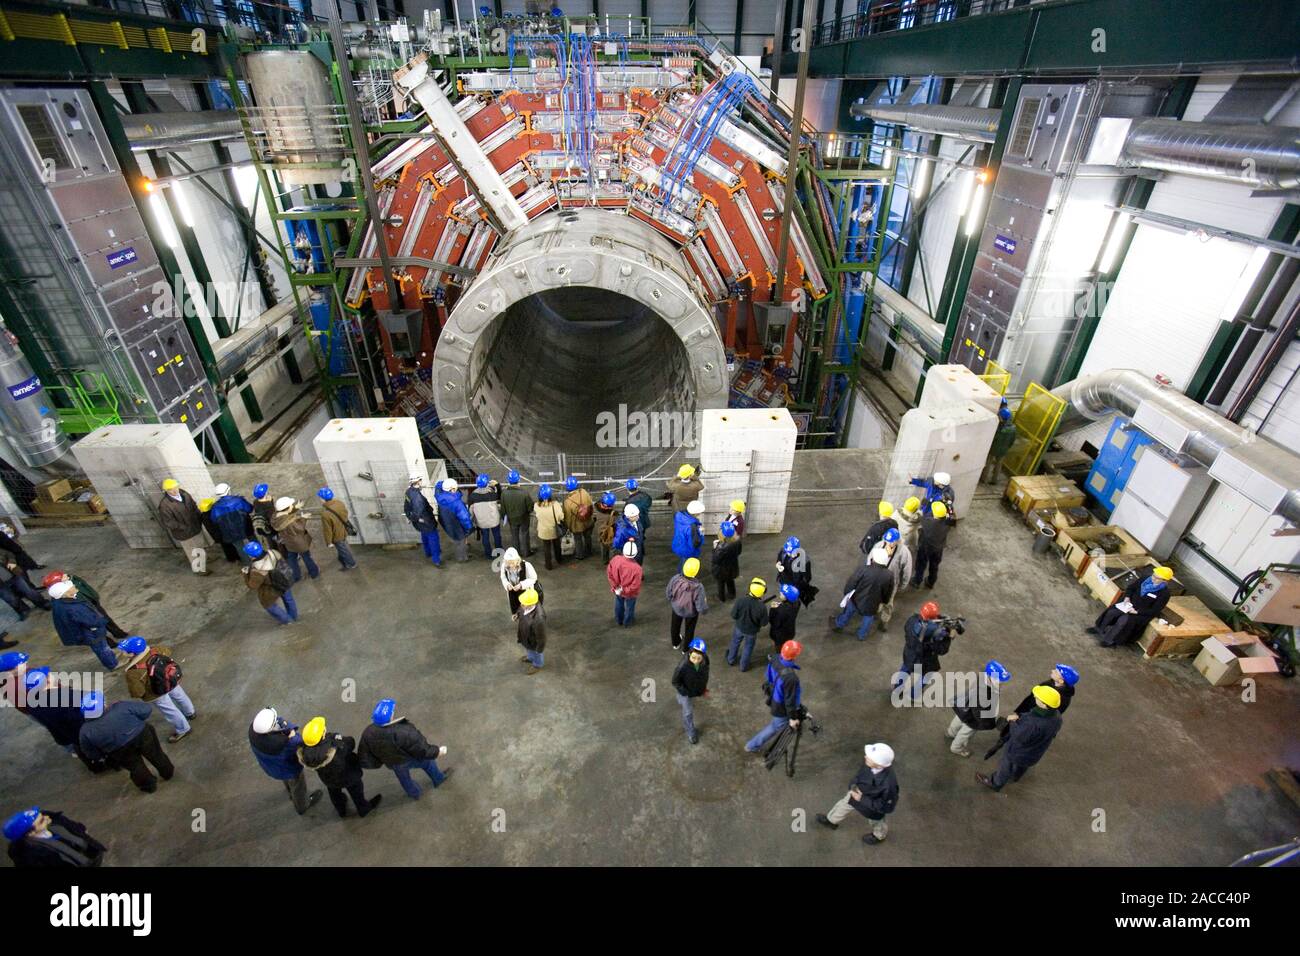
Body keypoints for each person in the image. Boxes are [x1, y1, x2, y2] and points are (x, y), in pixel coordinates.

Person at [77, 691, 174, 794]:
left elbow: (90, 752)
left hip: (118, 750)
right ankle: (167, 773)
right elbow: (146, 710)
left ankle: (149, 786)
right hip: (142, 735)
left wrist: (104, 755)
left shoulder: (85, 731)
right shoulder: (121, 707)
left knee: (135, 767)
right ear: (103, 705)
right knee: (156, 754)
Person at [359, 697, 453, 798]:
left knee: (404, 779)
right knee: (429, 763)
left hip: (392, 763)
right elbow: (422, 749)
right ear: (390, 716)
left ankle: (415, 793)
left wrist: (379, 762)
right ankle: (438, 779)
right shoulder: (404, 732)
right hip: (408, 759)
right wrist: (437, 751)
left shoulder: (368, 732)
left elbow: (364, 755)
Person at [977, 685, 1063, 791]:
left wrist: (1013, 721)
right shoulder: (1057, 716)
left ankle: (995, 783)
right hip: (1035, 752)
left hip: (1017, 752)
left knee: (1005, 767)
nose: (1035, 697)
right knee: (1021, 766)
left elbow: (1019, 737)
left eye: (1038, 697)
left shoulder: (1032, 723)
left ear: (1044, 705)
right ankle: (1015, 776)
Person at [297, 717, 382, 819]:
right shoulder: (336, 747)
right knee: (356, 793)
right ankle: (364, 809)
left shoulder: (305, 753)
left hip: (328, 779)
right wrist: (336, 738)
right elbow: (351, 743)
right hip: (349, 776)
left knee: (334, 794)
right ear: (322, 734)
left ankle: (341, 811)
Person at [815, 743, 899, 845]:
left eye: (869, 757)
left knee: (877, 822)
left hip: (871, 807)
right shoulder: (869, 764)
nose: (865, 757)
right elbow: (859, 775)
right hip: (857, 793)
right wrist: (853, 785)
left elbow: (886, 807)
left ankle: (879, 836)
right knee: (842, 806)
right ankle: (831, 821)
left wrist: (861, 799)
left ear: (879, 764)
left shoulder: (889, 784)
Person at [15, 668, 96, 768]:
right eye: (49, 675)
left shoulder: (31, 704)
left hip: (65, 735)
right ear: (48, 681)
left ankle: (93, 763)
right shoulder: (66, 695)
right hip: (84, 731)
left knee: (82, 751)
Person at [120, 635, 194, 743]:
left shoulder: (133, 672)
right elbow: (168, 651)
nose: (122, 652)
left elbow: (138, 692)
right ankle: (190, 712)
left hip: (155, 693)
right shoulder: (157, 650)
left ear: (132, 654)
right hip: (170, 680)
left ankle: (183, 729)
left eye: (125, 651)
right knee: (180, 696)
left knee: (170, 710)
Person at [249, 707, 321, 815]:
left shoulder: (253, 732)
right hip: (289, 770)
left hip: (272, 767)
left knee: (287, 781)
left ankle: (289, 792)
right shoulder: (284, 743)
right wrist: (292, 736)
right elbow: (301, 743)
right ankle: (303, 806)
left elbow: (279, 721)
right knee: (298, 787)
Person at [1090, 565, 1173, 648]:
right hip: (1129, 604)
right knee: (1112, 612)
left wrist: (1137, 612)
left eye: (1157, 578)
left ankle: (1110, 640)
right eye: (1153, 575)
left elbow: (1155, 610)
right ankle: (1099, 628)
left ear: (1165, 581)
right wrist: (1127, 597)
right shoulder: (1144, 579)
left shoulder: (1164, 593)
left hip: (1141, 613)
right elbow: (1131, 588)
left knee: (1123, 621)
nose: (1153, 579)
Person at [745, 640, 803, 753]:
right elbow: (789, 701)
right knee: (775, 727)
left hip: (774, 696)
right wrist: (792, 718)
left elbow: (769, 676)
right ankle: (752, 745)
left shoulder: (774, 658)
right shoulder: (791, 678)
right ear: (795, 656)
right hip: (781, 707)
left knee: (776, 725)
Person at [48, 580, 118, 669]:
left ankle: (111, 659)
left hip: (85, 632)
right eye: (72, 588)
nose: (75, 589)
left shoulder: (59, 602)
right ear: (66, 593)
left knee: (100, 648)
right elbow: (91, 621)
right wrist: (101, 622)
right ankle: (113, 664)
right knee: (102, 648)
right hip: (92, 633)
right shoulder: (73, 608)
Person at [947, 660, 1010, 757]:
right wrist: (989, 724)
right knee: (965, 733)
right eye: (999, 680)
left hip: (964, 708)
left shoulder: (982, 677)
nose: (1002, 683)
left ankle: (951, 733)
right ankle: (956, 748)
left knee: (958, 720)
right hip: (974, 719)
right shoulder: (984, 694)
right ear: (990, 677)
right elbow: (981, 714)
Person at [893, 600, 954, 700]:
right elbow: (942, 650)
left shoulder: (912, 620)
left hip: (910, 655)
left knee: (904, 671)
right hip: (925, 661)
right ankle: (913, 695)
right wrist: (949, 637)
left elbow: (908, 628)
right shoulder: (935, 634)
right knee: (925, 677)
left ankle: (897, 689)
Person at [42, 570, 126, 643]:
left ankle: (117, 632)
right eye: (62, 577)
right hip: (86, 610)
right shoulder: (62, 596)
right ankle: (108, 642)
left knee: (106, 619)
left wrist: (94, 597)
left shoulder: (73, 579)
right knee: (96, 628)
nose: (66, 576)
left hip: (92, 603)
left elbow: (86, 587)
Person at [4, 808, 105, 867]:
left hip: (86, 856)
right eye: (41, 821)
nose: (47, 818)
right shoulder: (30, 856)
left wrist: (82, 831)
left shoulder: (55, 823)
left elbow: (73, 827)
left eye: (42, 816)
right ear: (30, 833)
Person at [830, 546, 893, 640]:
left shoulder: (864, 569)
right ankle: (861, 635)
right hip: (873, 604)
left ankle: (839, 624)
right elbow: (888, 591)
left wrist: (847, 592)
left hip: (857, 599)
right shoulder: (889, 575)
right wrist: (884, 601)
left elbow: (852, 582)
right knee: (868, 619)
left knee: (848, 612)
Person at [157, 478, 210, 575]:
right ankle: (199, 570)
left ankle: (203, 561)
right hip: (184, 533)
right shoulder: (164, 505)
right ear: (166, 491)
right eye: (170, 489)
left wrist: (198, 517)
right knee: (192, 552)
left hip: (195, 527)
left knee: (200, 546)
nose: (174, 491)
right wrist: (184, 527)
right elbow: (168, 522)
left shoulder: (185, 494)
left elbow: (194, 505)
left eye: (175, 487)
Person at [241, 540, 298, 625]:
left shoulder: (257, 569)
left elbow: (252, 586)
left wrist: (245, 574)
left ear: (250, 556)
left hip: (272, 589)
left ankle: (288, 621)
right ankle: (294, 617)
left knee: (269, 606)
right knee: (289, 599)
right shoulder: (273, 552)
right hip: (284, 580)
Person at [726, 577, 770, 671]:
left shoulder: (740, 600)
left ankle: (731, 659)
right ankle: (743, 667)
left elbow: (733, 615)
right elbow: (764, 623)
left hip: (739, 628)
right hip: (751, 632)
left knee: (735, 643)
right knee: (748, 648)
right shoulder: (761, 607)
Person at [271, 497, 319, 582]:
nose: (292, 506)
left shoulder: (275, 517)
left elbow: (285, 515)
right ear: (288, 508)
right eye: (291, 506)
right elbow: (299, 528)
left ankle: (296, 576)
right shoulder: (291, 522)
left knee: (292, 559)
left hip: (288, 543)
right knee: (307, 557)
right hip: (299, 543)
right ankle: (314, 573)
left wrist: (296, 508)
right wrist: (303, 518)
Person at [671, 638, 710, 745]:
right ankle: (691, 733)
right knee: (688, 713)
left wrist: (703, 688)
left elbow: (705, 675)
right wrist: (684, 692)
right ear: (689, 653)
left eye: (699, 658)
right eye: (693, 658)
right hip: (686, 692)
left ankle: (681, 699)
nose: (696, 661)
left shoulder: (705, 661)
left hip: (696, 688)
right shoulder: (682, 666)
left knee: (685, 704)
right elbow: (675, 681)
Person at [666, 557, 708, 651]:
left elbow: (668, 592)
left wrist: (672, 601)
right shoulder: (698, 587)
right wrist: (704, 610)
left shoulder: (675, 579)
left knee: (675, 626)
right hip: (691, 613)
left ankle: (675, 643)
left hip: (676, 608)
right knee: (689, 630)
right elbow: (701, 606)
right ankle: (686, 649)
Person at [875, 530, 911, 632]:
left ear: (897, 540)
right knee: (876, 597)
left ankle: (884, 619)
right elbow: (870, 559)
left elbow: (907, 569)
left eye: (892, 541)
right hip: (877, 579)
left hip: (891, 582)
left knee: (888, 602)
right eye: (887, 541)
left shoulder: (904, 552)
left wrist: (903, 584)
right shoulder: (879, 546)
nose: (889, 544)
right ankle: (876, 610)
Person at [1012, 664, 1079, 717]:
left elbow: (1042, 715)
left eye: (1056, 672)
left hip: (1027, 721)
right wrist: (1018, 712)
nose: (1052, 670)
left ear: (1061, 681)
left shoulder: (1061, 699)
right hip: (1025, 711)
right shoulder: (1052, 682)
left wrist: (1020, 717)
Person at [911, 501, 951, 589]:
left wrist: (923, 506)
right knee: (934, 566)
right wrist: (949, 505)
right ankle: (930, 582)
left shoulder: (928, 522)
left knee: (921, 564)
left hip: (925, 548)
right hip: (938, 549)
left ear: (934, 513)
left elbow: (921, 517)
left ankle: (917, 581)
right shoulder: (948, 522)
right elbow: (952, 516)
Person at [210, 482, 254, 562]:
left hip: (231, 532)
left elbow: (214, 520)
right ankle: (261, 557)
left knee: (240, 548)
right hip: (245, 527)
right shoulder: (239, 500)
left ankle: (248, 565)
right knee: (253, 540)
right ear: (228, 490)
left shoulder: (215, 507)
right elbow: (249, 509)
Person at [316, 487, 357, 570]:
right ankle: (343, 560)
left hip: (337, 535)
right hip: (344, 529)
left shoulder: (325, 514)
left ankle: (351, 564)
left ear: (323, 499)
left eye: (320, 497)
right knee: (342, 548)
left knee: (343, 550)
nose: (319, 499)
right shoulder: (339, 503)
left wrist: (329, 542)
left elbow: (327, 530)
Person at [404, 477, 441, 566]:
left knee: (424, 535)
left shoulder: (409, 491)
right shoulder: (417, 497)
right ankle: (436, 560)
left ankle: (428, 552)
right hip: (426, 521)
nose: (421, 482)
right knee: (433, 539)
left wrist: (410, 517)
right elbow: (417, 512)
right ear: (418, 482)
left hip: (420, 522)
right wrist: (416, 518)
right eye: (421, 480)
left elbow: (406, 507)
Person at [436, 479, 474, 563]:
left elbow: (437, 489)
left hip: (447, 523)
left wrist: (441, 484)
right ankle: (462, 558)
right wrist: (469, 527)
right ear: (451, 489)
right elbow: (464, 517)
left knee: (456, 540)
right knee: (461, 541)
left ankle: (461, 556)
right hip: (457, 524)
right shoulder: (456, 502)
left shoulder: (439, 496)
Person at [606, 540, 642, 627]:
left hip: (617, 589)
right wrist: (624, 590)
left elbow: (610, 573)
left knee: (619, 603)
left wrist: (616, 587)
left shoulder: (615, 560)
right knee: (630, 607)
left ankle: (619, 620)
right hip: (630, 593)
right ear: (635, 553)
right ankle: (627, 622)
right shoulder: (637, 568)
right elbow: (635, 585)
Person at [469, 474, 504, 560]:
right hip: (494, 520)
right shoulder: (492, 493)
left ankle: (488, 554)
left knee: (485, 537)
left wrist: (472, 521)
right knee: (497, 536)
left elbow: (470, 511)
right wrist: (497, 485)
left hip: (482, 522)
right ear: (487, 483)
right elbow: (501, 496)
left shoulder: (472, 496)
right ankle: (499, 553)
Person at [775, 536, 817, 606]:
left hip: (794, 585)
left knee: (792, 602)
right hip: (783, 580)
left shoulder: (804, 561)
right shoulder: (784, 550)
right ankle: (784, 605)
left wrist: (797, 588)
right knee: (783, 598)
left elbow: (807, 578)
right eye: (788, 552)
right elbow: (779, 558)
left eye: (791, 553)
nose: (789, 554)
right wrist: (778, 564)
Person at [501, 470, 534, 558]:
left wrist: (504, 517)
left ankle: (516, 554)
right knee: (525, 534)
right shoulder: (524, 493)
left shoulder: (504, 493)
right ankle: (527, 552)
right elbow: (530, 507)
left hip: (512, 519)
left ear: (508, 481)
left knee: (514, 536)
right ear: (519, 480)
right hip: (524, 518)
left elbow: (503, 509)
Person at [561, 476, 595, 560]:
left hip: (576, 526)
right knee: (588, 537)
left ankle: (580, 555)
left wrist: (569, 527)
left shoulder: (567, 502)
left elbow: (567, 517)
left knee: (578, 539)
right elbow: (591, 505)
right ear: (576, 485)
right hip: (587, 520)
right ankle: (589, 551)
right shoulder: (583, 492)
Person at [533, 484, 565, 570]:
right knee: (557, 545)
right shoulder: (556, 505)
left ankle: (548, 565)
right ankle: (559, 560)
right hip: (554, 530)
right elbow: (561, 517)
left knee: (546, 548)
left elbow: (537, 516)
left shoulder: (536, 506)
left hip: (543, 531)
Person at [500, 547, 540, 616]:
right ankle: (517, 615)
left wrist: (521, 585)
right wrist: (507, 585)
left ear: (517, 560)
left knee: (527, 610)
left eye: (512, 563)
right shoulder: (504, 566)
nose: (510, 565)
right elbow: (503, 578)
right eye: (508, 563)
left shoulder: (526, 565)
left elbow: (534, 578)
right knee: (515, 606)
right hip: (513, 593)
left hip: (526, 592)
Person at [515, 587, 547, 673]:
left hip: (534, 641)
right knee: (529, 649)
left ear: (531, 604)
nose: (521, 605)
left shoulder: (539, 619)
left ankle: (537, 665)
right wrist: (517, 615)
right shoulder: (526, 605)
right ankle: (530, 657)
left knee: (536, 653)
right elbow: (520, 609)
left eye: (524, 604)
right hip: (526, 637)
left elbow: (542, 637)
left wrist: (539, 649)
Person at [984, 406, 1018, 484]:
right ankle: (994, 480)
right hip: (1003, 450)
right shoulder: (1013, 428)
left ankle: (984, 479)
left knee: (988, 464)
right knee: (998, 465)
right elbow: (1012, 441)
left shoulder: (999, 429)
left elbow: (993, 438)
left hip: (993, 449)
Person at [710, 520, 742, 602]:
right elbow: (739, 552)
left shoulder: (721, 547)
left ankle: (721, 598)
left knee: (721, 584)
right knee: (730, 581)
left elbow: (715, 559)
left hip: (721, 570)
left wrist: (714, 548)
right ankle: (732, 594)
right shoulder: (737, 541)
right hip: (732, 567)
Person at [671, 499, 705, 572]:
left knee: (683, 562)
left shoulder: (680, 516)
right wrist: (701, 533)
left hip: (679, 544)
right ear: (695, 513)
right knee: (686, 568)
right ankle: (684, 579)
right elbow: (696, 543)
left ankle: (680, 576)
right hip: (688, 551)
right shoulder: (692, 526)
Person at [768, 583, 801, 654]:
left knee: (779, 649)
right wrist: (781, 605)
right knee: (786, 646)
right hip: (790, 632)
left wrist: (773, 609)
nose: (780, 593)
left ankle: (780, 657)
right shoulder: (797, 602)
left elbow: (774, 623)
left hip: (780, 636)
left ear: (787, 597)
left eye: (782, 593)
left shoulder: (781, 611)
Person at [198, 498, 231, 562]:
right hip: (222, 533)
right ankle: (233, 557)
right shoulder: (214, 514)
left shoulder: (203, 516)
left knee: (225, 547)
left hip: (215, 535)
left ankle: (230, 558)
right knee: (228, 545)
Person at [594, 492, 618, 564]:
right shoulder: (612, 514)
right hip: (609, 533)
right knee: (612, 547)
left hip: (600, 531)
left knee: (603, 546)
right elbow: (614, 524)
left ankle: (605, 560)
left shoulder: (597, 508)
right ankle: (614, 562)